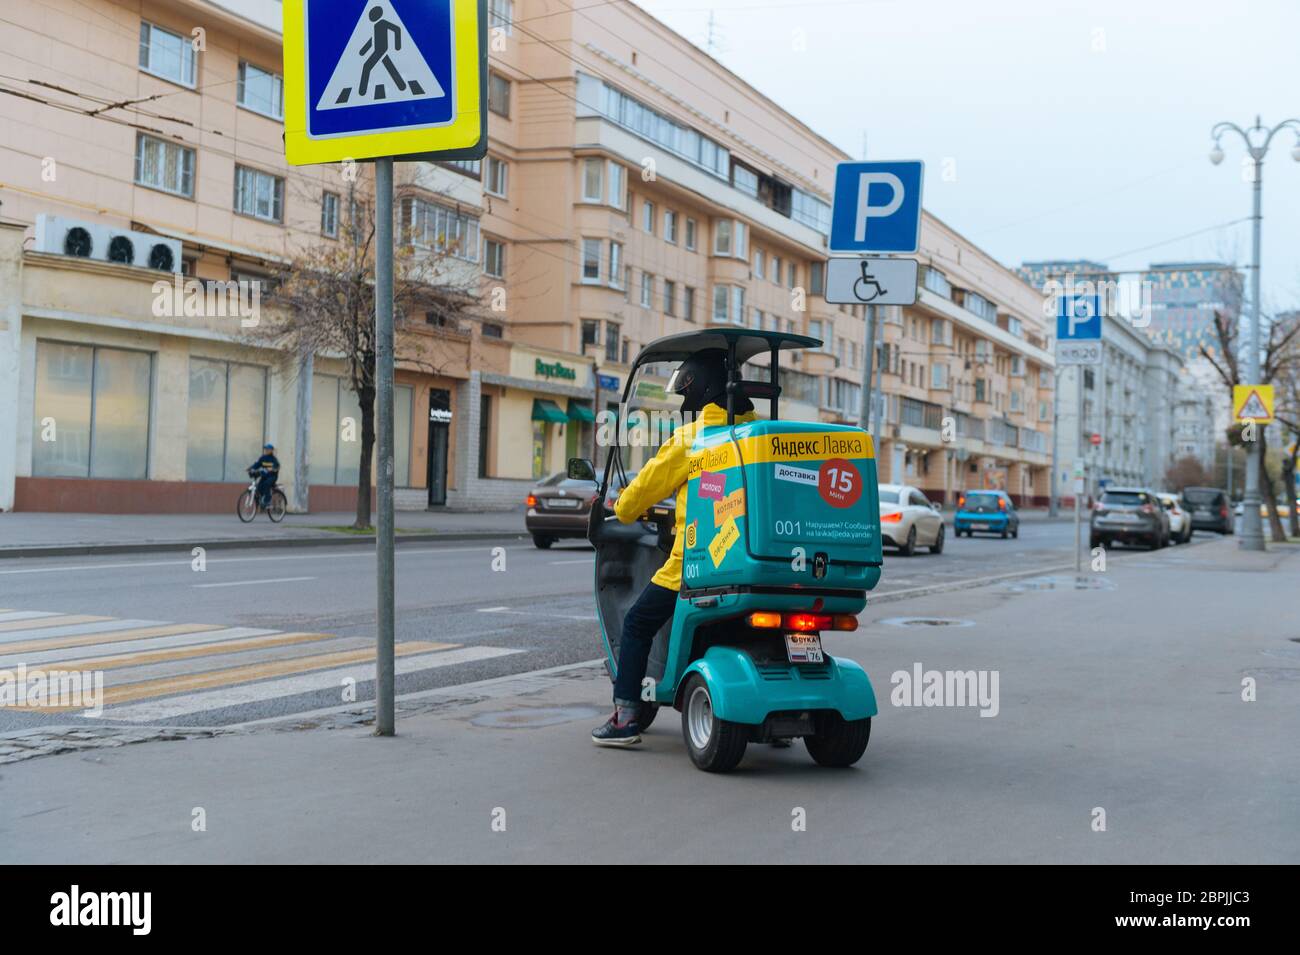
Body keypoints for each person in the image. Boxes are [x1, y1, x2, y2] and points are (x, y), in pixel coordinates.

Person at [592, 350, 756, 747]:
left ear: (700, 391)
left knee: (637, 623)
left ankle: (627, 714)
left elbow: (643, 490)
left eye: (688, 395)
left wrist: (622, 504)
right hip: (756, 563)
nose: (686, 405)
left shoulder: (692, 439)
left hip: (698, 565)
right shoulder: (759, 435)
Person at [250, 443, 280, 508]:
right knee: (259, 487)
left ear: (271, 450)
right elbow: (257, 464)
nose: (266, 450)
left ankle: (267, 501)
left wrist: (272, 469)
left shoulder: (274, 459)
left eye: (267, 449)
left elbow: (277, 466)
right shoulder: (262, 458)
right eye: (265, 449)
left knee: (266, 484)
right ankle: (261, 500)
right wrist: (251, 468)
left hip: (272, 477)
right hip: (264, 476)